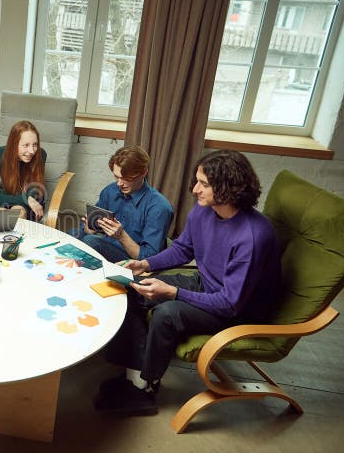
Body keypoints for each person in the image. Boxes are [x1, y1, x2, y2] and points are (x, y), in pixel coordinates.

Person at [95, 150, 281, 417]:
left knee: (166, 314)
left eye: (204, 184)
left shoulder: (253, 236)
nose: (195, 190)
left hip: (238, 311)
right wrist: (144, 264)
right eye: (197, 181)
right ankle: (134, 377)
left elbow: (230, 303)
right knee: (131, 287)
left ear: (229, 187)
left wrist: (173, 293)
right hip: (207, 285)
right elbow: (183, 249)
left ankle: (146, 388)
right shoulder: (204, 211)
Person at [68, 145, 173, 263]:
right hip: (105, 243)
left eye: (126, 178)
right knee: (72, 234)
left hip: (132, 258)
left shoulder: (159, 207)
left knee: (90, 241)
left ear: (144, 172)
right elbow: (89, 228)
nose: (119, 183)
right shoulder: (110, 191)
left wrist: (122, 236)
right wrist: (90, 228)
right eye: (117, 177)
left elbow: (149, 258)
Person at [0, 120, 47, 221]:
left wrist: (27, 199)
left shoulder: (40, 154)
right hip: (8, 201)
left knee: (18, 213)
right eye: (26, 145)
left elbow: (34, 195)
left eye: (35, 145)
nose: (32, 151)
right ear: (14, 144)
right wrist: (26, 199)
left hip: (28, 206)